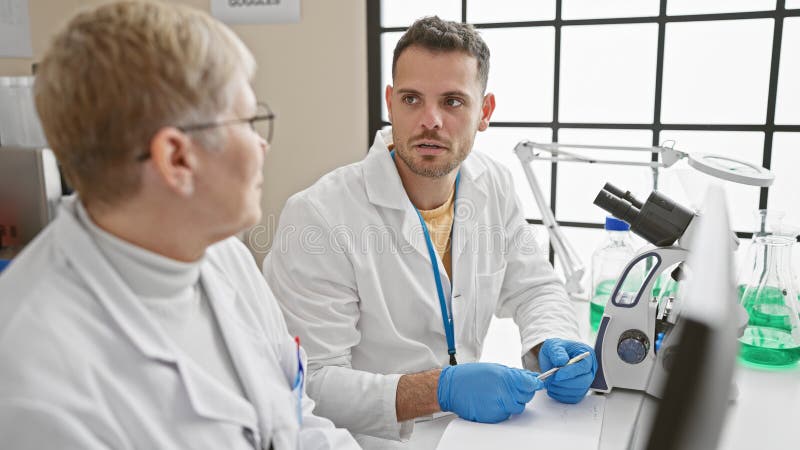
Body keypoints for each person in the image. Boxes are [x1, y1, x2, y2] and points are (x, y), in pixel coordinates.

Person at [0, 2, 359, 449]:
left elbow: (297, 419)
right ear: (177, 158)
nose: (261, 144)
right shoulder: (36, 386)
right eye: (248, 121)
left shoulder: (221, 253)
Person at [263, 16, 597, 449]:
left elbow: (534, 286)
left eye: (453, 101)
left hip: (473, 431)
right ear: (390, 102)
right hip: (369, 441)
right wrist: (438, 390)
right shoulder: (319, 217)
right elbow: (310, 385)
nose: (430, 120)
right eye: (411, 98)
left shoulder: (491, 182)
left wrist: (553, 337)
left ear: (486, 112)